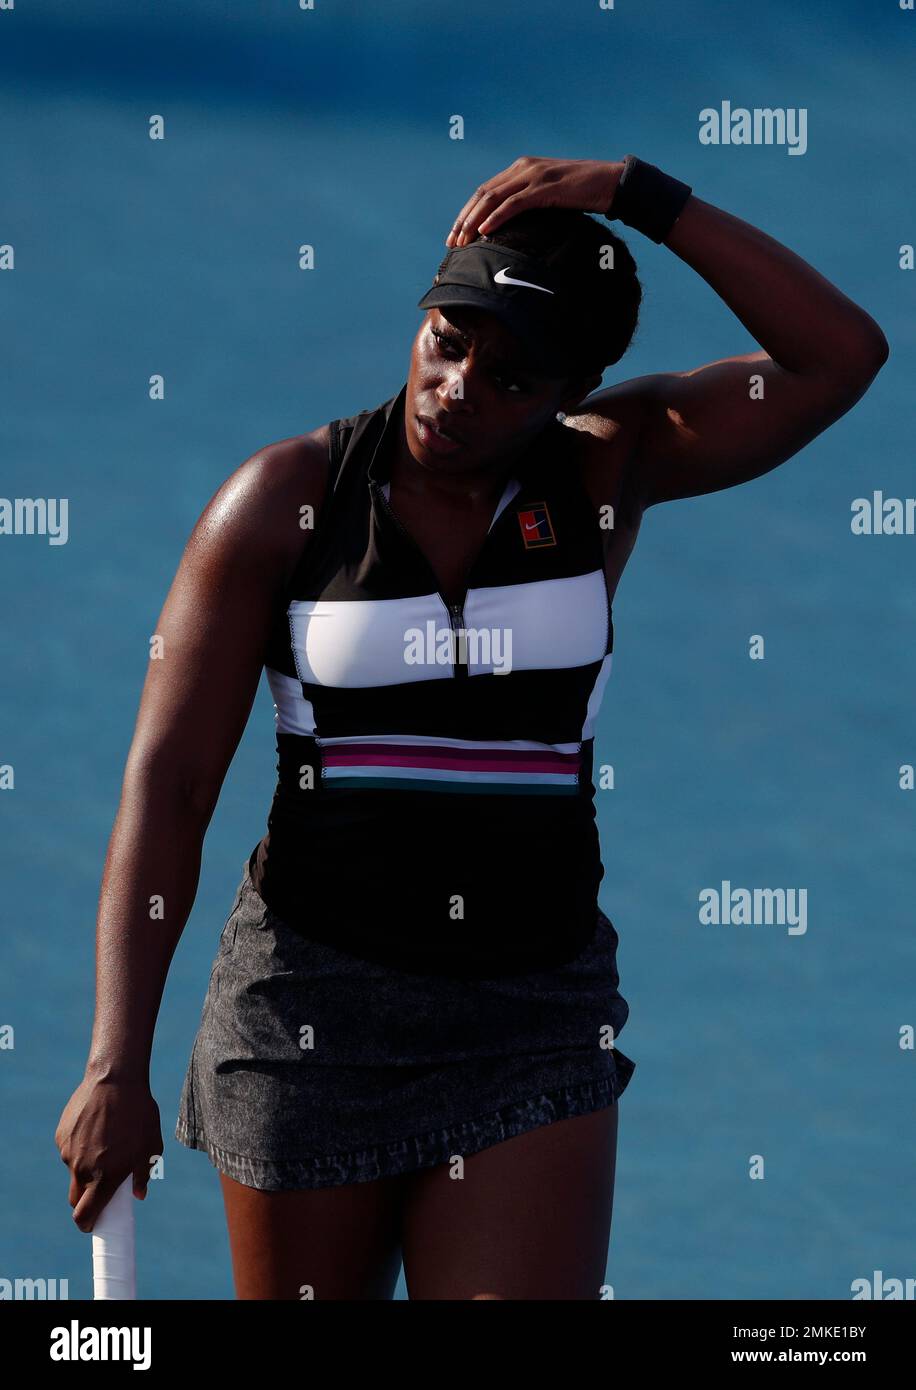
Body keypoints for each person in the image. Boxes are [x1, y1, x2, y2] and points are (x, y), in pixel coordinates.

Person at [55, 155, 888, 1300]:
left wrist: (638, 193)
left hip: (530, 1010)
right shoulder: (282, 501)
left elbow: (841, 356)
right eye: (448, 339)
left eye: (510, 377)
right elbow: (170, 785)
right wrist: (116, 1062)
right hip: (309, 1014)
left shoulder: (606, 469)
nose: (457, 387)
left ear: (572, 388)